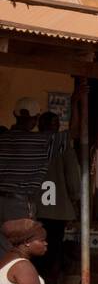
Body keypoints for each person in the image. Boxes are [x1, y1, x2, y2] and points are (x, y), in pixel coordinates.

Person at [32, 111, 80, 284]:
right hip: (57, 209)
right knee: (53, 248)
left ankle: (36, 283)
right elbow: (73, 178)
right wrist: (75, 198)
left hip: (35, 208)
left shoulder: (33, 142)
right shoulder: (63, 144)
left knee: (33, 248)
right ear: (57, 126)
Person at [0, 97, 63, 233]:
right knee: (20, 246)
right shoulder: (42, 141)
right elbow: (75, 132)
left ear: (14, 114)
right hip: (19, 204)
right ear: (36, 118)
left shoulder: (2, 138)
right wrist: (76, 100)